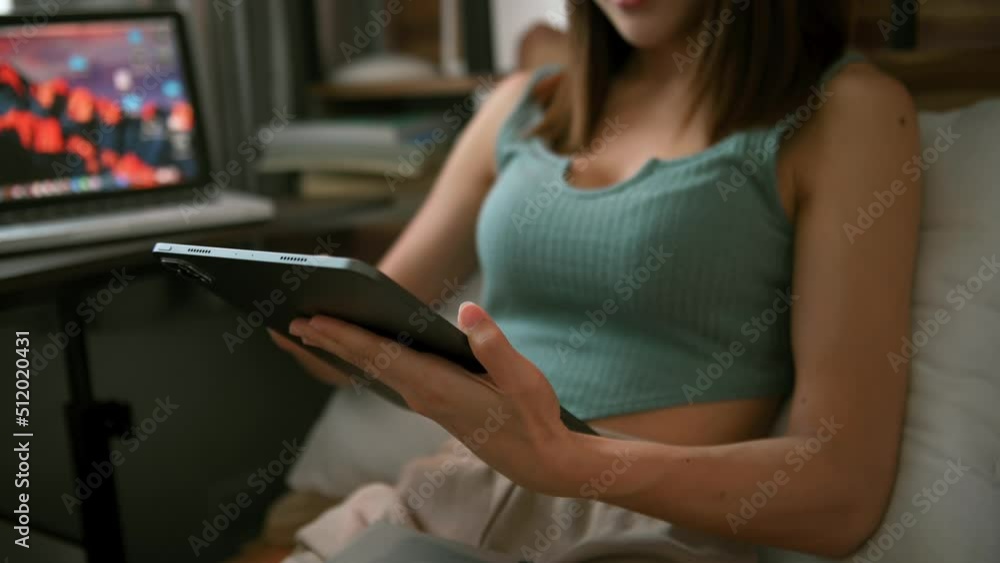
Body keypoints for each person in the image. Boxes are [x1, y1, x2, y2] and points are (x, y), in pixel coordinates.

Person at [271, 0, 922, 560]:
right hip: (437, 499)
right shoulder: (524, 105)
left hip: (638, 528)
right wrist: (287, 304)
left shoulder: (847, 112)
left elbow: (843, 492)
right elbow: (365, 317)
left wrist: (568, 458)